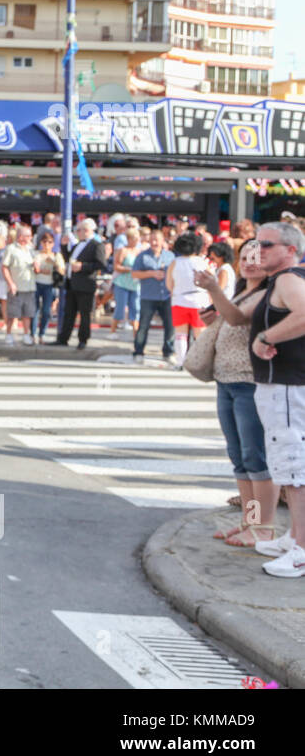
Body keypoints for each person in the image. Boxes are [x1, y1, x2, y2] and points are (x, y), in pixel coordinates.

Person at [196, 243, 277, 548]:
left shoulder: (269, 294)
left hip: (249, 383)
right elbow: (230, 320)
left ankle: (263, 527)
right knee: (239, 458)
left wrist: (214, 289)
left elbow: (236, 319)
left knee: (255, 457)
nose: (251, 262)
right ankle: (250, 521)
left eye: (257, 257)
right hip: (226, 382)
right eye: (245, 257)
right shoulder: (243, 292)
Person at [244, 222, 305, 577]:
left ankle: (298, 547)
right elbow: (237, 315)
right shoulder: (278, 280)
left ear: (291, 249)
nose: (259, 250)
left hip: (285, 385)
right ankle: (293, 536)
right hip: (280, 384)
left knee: (292, 468)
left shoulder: (288, 279)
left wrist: (266, 336)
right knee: (281, 466)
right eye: (256, 243)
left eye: (267, 244)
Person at [56, 219, 107, 350]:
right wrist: (63, 247)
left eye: (78, 230)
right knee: (69, 312)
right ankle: (63, 338)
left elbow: (101, 263)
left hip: (85, 284)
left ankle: (83, 339)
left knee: (84, 314)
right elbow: (69, 259)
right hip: (72, 282)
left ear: (86, 230)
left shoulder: (97, 245)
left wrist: (83, 266)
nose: (77, 232)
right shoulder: (79, 244)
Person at [132, 228, 176, 364]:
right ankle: (138, 351)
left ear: (163, 241)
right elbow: (134, 274)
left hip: (167, 296)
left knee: (170, 326)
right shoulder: (143, 256)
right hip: (148, 296)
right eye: (152, 240)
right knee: (143, 325)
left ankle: (168, 351)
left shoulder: (170, 256)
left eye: (157, 240)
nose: (154, 243)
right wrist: (151, 273)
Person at [167, 232, 209, 368]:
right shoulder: (202, 262)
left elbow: (169, 284)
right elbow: (211, 281)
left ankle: (180, 362)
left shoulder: (175, 262)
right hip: (200, 300)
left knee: (180, 334)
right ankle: (200, 363)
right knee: (200, 334)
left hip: (179, 300)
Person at [1, 223, 36, 345]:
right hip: (16, 286)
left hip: (29, 285)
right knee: (13, 313)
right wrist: (10, 283)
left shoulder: (31, 250)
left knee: (28, 313)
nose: (30, 238)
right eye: (28, 236)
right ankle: (9, 333)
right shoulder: (11, 249)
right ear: (21, 236)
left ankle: (26, 334)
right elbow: (4, 267)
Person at [31, 230, 65, 345]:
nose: (47, 245)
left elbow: (62, 271)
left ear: (53, 244)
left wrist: (54, 263)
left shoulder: (56, 255)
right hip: (36, 283)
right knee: (34, 310)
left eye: (49, 242)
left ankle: (42, 334)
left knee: (46, 311)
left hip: (49, 285)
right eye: (44, 242)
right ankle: (33, 334)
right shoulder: (36, 254)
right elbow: (34, 269)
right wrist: (40, 270)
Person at [111, 227, 141, 341]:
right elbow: (116, 266)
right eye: (134, 238)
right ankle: (113, 330)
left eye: (137, 238)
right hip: (122, 283)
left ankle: (136, 334)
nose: (136, 241)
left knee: (135, 308)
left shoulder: (139, 252)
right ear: (128, 239)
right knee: (120, 307)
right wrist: (129, 269)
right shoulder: (122, 250)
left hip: (135, 284)